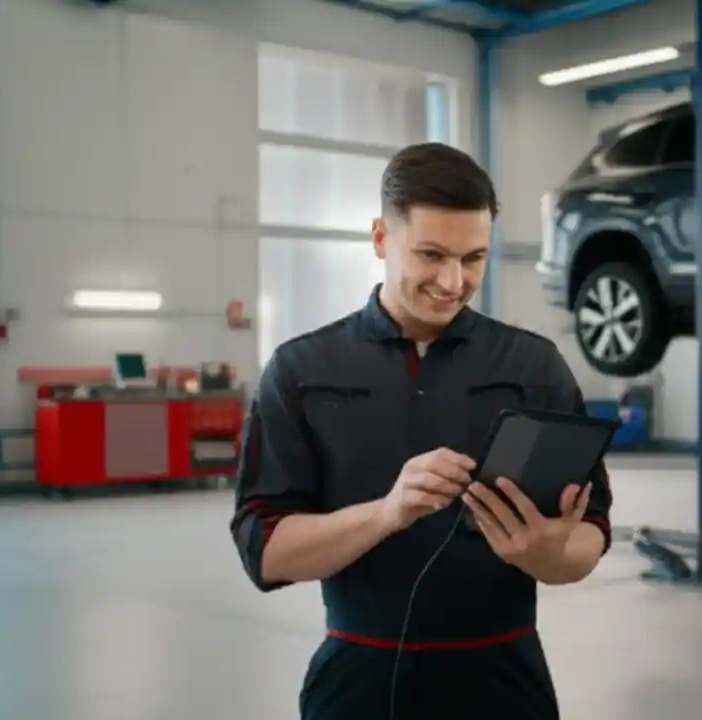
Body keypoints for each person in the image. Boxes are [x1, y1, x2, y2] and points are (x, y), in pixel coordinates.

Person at [229, 142, 613, 719]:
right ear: (381, 238)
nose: (453, 281)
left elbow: (591, 534)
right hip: (359, 681)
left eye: (474, 258)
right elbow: (266, 553)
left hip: (505, 681)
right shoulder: (302, 371)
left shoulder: (534, 368)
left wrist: (545, 554)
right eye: (430, 254)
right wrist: (386, 514)